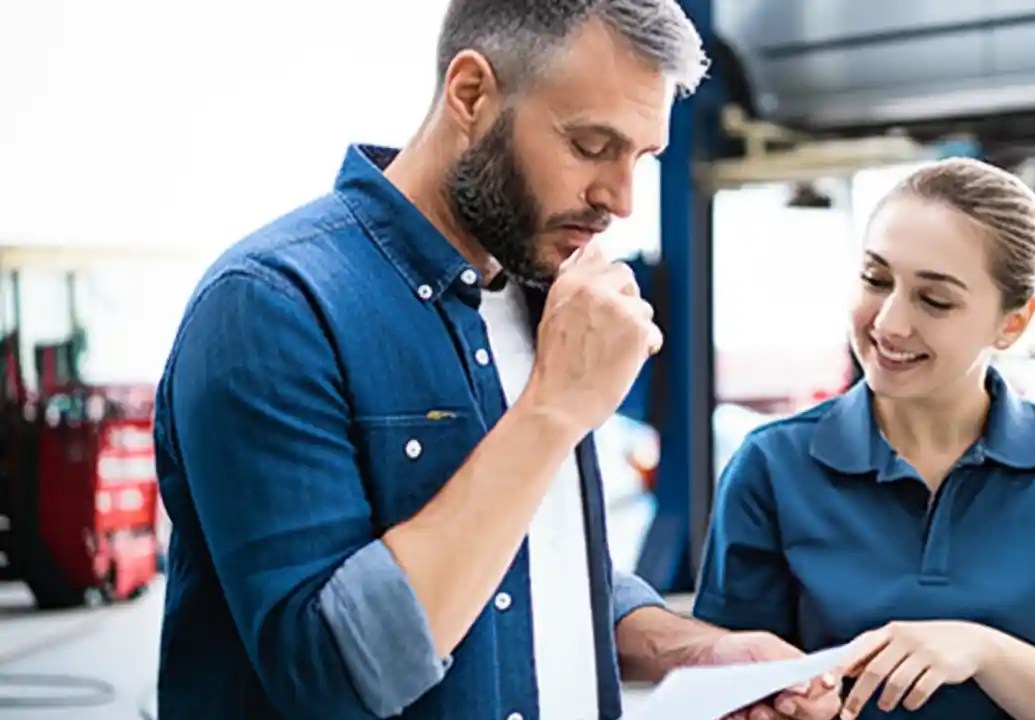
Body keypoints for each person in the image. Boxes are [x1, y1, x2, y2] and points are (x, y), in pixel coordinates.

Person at [152, 1, 843, 718]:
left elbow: (527, 564)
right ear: (472, 95)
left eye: (642, 156)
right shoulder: (271, 307)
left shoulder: (543, 296)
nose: (622, 199)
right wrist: (550, 412)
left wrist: (692, 651)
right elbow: (332, 675)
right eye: (590, 145)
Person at [693, 158, 1035, 720]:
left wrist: (982, 649)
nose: (890, 324)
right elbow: (731, 689)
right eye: (876, 279)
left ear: (1011, 324)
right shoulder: (771, 465)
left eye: (935, 300)